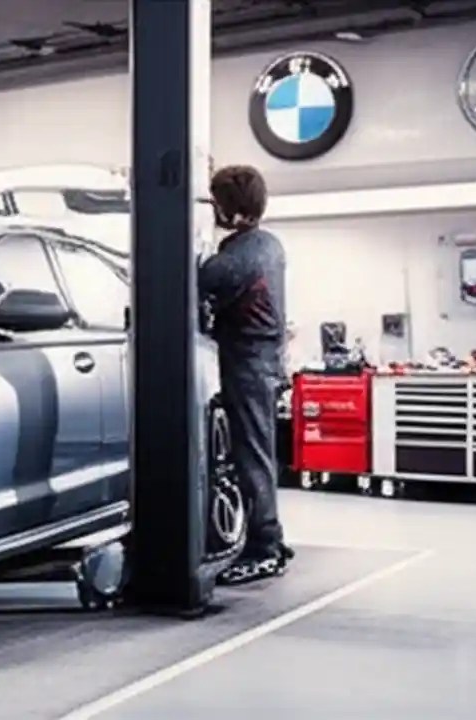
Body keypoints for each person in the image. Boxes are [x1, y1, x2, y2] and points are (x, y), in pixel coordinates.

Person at [199, 165, 294, 585]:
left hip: (247, 364)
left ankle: (264, 548)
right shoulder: (268, 245)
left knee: (250, 456)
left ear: (229, 206)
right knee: (260, 453)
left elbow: (196, 284)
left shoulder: (235, 257)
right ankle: (270, 535)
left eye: (216, 200)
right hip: (268, 360)